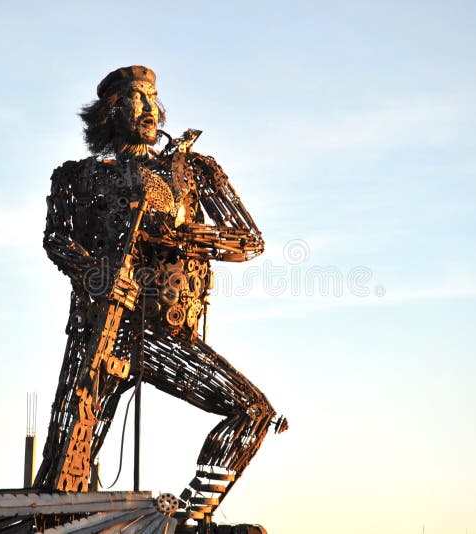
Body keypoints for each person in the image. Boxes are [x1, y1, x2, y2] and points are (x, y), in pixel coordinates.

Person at [35, 65, 287, 525]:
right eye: (138, 98)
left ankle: (188, 518)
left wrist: (181, 237)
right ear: (111, 110)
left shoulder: (191, 169)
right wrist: (95, 273)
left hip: (166, 334)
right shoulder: (76, 178)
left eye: (154, 99)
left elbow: (247, 238)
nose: (150, 109)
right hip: (104, 333)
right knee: (66, 461)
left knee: (252, 412)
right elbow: (57, 239)